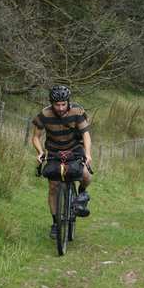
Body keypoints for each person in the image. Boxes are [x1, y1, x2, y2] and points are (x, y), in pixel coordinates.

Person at [32, 85, 93, 238]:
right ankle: (55, 222)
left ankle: (82, 195)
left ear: (68, 102)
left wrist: (88, 154)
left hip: (74, 149)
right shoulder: (44, 115)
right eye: (57, 104)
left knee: (85, 174)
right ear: (52, 103)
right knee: (53, 186)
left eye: (63, 104)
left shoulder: (77, 112)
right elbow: (35, 137)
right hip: (54, 151)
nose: (60, 108)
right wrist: (40, 152)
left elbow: (86, 135)